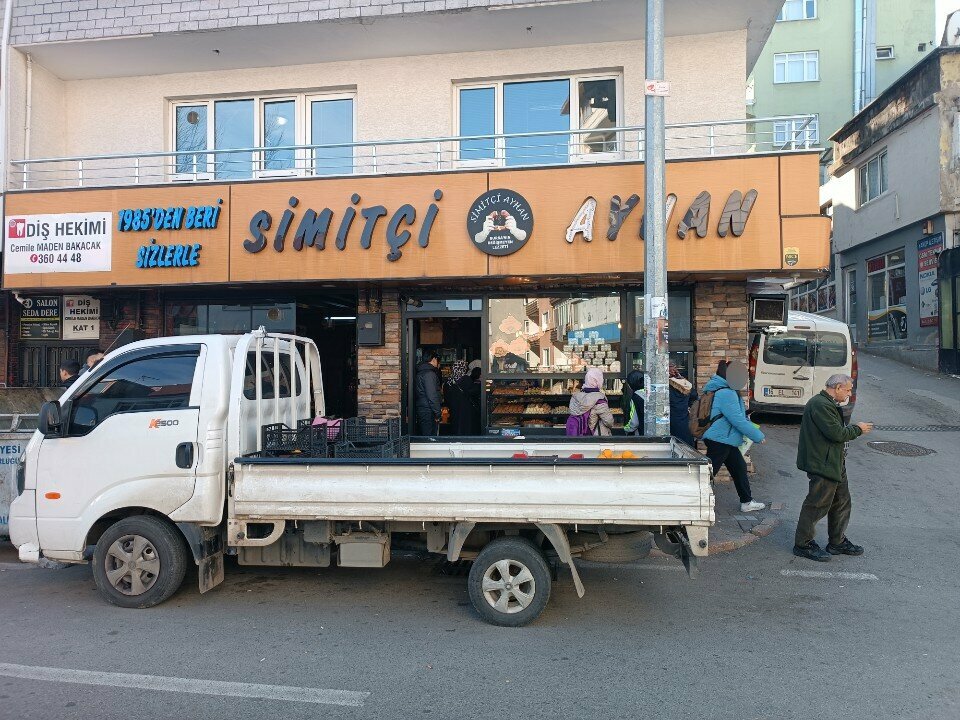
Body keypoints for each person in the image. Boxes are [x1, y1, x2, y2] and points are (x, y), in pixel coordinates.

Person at [793, 374, 873, 562]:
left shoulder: (827, 403)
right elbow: (837, 433)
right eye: (847, 389)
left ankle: (837, 542)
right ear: (837, 388)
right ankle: (802, 544)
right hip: (823, 463)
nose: (849, 394)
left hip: (834, 462)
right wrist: (858, 429)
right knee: (817, 504)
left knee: (841, 502)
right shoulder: (820, 404)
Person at [702, 360, 767, 512]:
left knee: (739, 468)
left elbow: (734, 416)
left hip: (725, 439)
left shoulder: (724, 390)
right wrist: (758, 436)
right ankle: (695, 501)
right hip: (720, 439)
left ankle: (747, 502)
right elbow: (737, 421)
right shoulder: (727, 393)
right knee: (708, 473)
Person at [569, 367, 615, 436]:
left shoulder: (575, 397)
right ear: (598, 380)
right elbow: (609, 422)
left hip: (577, 437)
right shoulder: (599, 399)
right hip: (594, 439)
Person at [447, 361, 482, 435]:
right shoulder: (465, 379)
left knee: (456, 425)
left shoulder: (450, 380)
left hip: (454, 409)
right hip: (465, 409)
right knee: (465, 427)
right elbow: (473, 391)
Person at [668, 362, 698, 445]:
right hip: (684, 422)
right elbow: (694, 396)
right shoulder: (685, 384)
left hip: (670, 422)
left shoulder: (665, 385)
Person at [414, 350, 442, 435]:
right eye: (437, 360)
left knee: (425, 435)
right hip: (428, 410)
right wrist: (438, 413)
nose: (438, 363)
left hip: (423, 408)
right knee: (429, 437)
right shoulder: (429, 374)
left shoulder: (421, 372)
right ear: (433, 359)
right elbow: (432, 395)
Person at [622, 370, 645, 435]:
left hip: (642, 434)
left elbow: (634, 422)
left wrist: (625, 429)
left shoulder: (635, 398)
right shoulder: (652, 393)